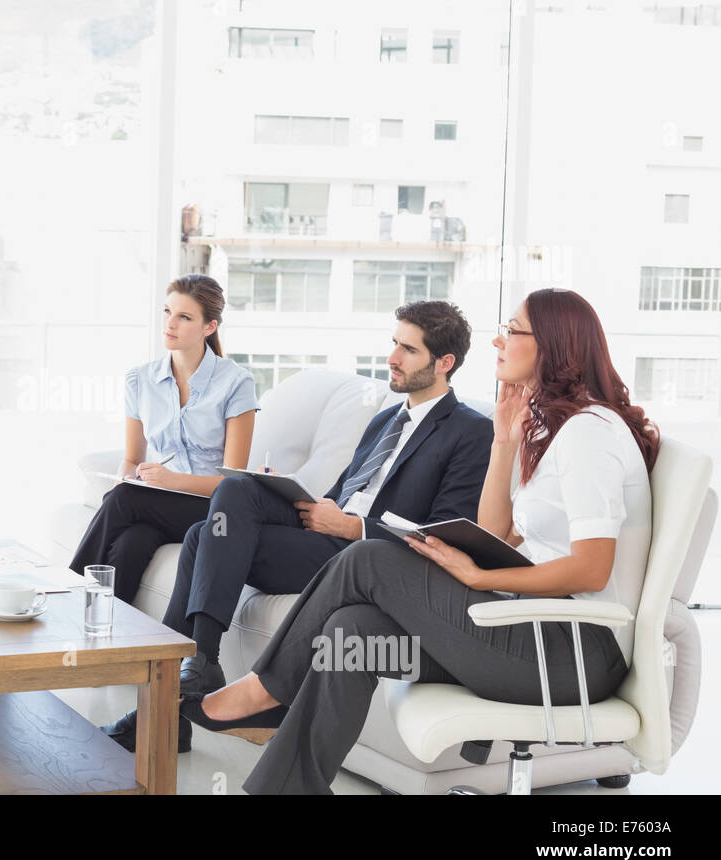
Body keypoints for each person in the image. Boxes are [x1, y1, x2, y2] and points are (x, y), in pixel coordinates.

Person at [182, 288, 655, 794]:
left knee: (367, 558)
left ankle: (262, 690)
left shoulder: (589, 432)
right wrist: (503, 442)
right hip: (521, 632)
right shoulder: (550, 431)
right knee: (351, 634)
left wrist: (479, 576)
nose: (499, 339)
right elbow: (494, 531)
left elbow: (591, 570)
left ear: (554, 347)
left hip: (565, 656)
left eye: (513, 331)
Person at [101, 299, 493, 753]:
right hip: (326, 531)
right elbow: (346, 491)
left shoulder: (470, 432)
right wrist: (302, 499)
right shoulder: (386, 419)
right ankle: (200, 664)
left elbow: (440, 538)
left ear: (444, 363)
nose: (392, 357)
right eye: (393, 344)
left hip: (364, 558)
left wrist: (353, 528)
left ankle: (177, 695)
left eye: (408, 349)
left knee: (199, 535)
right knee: (234, 493)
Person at [68, 274, 257, 605]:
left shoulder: (236, 383)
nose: (170, 324)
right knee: (131, 545)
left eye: (184, 317)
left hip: (215, 510)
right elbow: (132, 457)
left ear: (209, 327)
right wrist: (126, 479)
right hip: (157, 506)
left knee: (124, 500)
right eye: (167, 311)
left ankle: (63, 597)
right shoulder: (140, 380)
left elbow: (234, 484)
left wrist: (170, 480)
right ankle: (111, 649)